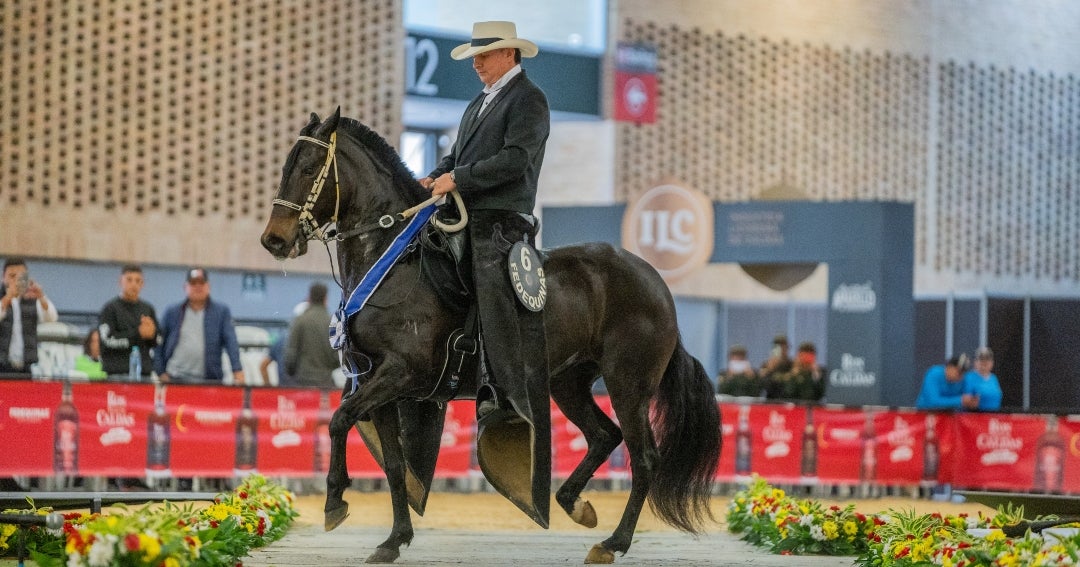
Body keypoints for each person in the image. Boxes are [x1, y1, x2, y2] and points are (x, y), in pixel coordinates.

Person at [419, 20, 550, 420]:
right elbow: (456, 156)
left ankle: (503, 391)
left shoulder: (529, 99)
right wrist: (434, 174)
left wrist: (456, 177)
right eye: (474, 56)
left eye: (483, 54)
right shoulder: (477, 103)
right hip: (464, 211)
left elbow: (515, 160)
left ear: (508, 54)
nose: (476, 63)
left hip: (502, 218)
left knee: (490, 281)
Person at [155, 268, 245, 384]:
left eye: (201, 283)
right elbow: (158, 344)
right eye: (193, 283)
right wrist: (160, 372)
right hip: (175, 378)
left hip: (210, 380)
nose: (198, 287)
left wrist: (237, 369)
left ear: (209, 287)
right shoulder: (172, 312)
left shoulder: (221, 312)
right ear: (185, 287)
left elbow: (231, 342)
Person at [98, 264, 160, 379]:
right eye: (129, 280)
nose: (133, 284)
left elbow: (158, 340)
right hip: (117, 373)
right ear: (120, 282)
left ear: (142, 284)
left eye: (138, 281)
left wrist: (152, 335)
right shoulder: (110, 309)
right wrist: (137, 334)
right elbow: (107, 341)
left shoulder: (148, 309)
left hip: (144, 374)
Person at [0, 258, 59, 376]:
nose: (16, 281)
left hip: (25, 366)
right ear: (3, 277)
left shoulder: (32, 298)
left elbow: (51, 317)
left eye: (20, 276)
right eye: (12, 276)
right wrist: (8, 298)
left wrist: (41, 297)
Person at [284, 283, 338, 388]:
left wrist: (291, 374)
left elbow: (291, 355)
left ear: (309, 298)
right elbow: (337, 357)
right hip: (326, 383)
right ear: (325, 299)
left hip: (302, 382)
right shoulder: (332, 322)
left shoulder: (300, 320)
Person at [962, 347, 1002, 411]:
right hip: (976, 416)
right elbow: (966, 400)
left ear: (992, 362)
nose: (984, 362)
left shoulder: (993, 378)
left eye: (987, 359)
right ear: (975, 362)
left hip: (994, 416)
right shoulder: (969, 377)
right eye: (981, 359)